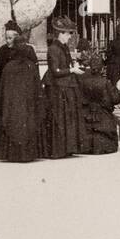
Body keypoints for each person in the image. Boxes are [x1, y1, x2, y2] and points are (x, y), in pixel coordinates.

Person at [0, 29, 45, 163]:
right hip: (27, 107)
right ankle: (27, 154)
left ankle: (12, 155)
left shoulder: (8, 67)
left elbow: (3, 90)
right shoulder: (31, 67)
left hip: (11, 107)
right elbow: (37, 90)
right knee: (27, 126)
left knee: (13, 126)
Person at [44, 16, 82, 158]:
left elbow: (66, 66)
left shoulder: (63, 47)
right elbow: (55, 71)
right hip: (57, 88)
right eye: (67, 34)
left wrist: (73, 67)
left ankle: (66, 148)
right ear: (60, 34)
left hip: (65, 87)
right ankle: (59, 149)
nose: (69, 37)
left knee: (66, 119)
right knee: (59, 119)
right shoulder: (53, 49)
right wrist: (72, 70)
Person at [76, 52, 120, 154]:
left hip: (87, 115)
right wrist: (118, 88)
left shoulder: (83, 81)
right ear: (102, 68)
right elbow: (115, 99)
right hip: (102, 115)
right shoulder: (105, 82)